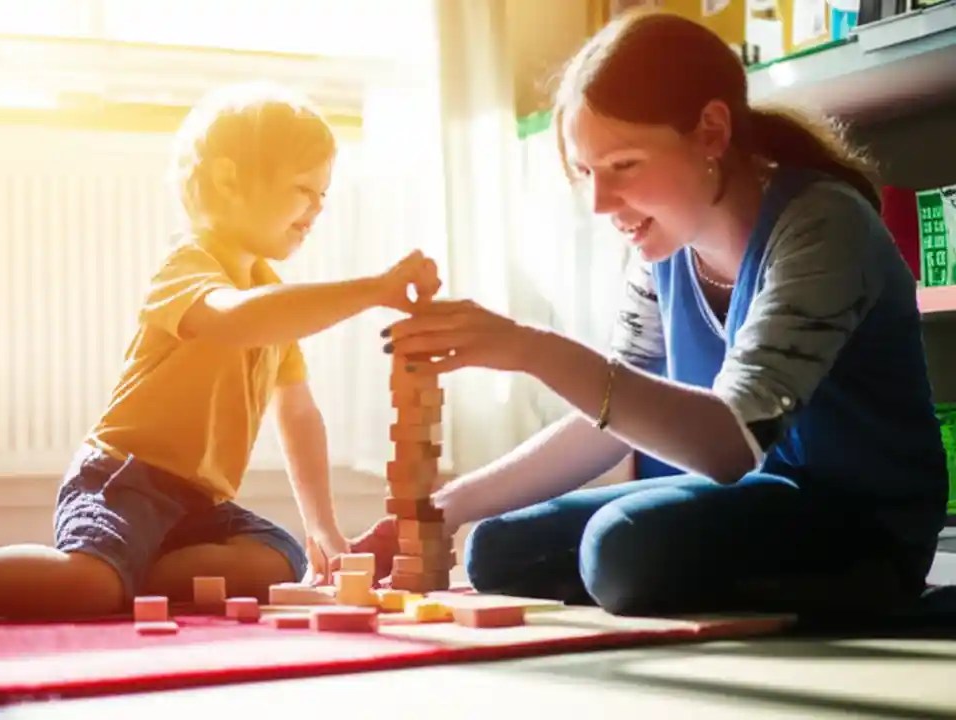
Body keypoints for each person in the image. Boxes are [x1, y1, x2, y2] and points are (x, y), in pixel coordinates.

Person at [0, 82, 441, 628]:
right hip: (125, 478)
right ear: (232, 182)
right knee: (88, 584)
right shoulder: (191, 264)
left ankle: (124, 573)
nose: (317, 208)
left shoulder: (270, 292)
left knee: (277, 558)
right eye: (303, 189)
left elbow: (299, 413)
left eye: (324, 194)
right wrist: (374, 289)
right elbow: (231, 323)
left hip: (196, 504)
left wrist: (323, 526)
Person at [385, 9, 947, 618]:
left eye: (623, 165)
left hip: (861, 527)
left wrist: (531, 348)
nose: (600, 203)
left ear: (710, 131)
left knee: (621, 551)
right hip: (760, 502)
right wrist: (444, 509)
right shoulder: (665, 250)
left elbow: (729, 446)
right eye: (586, 173)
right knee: (497, 550)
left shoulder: (821, 226)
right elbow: (610, 418)